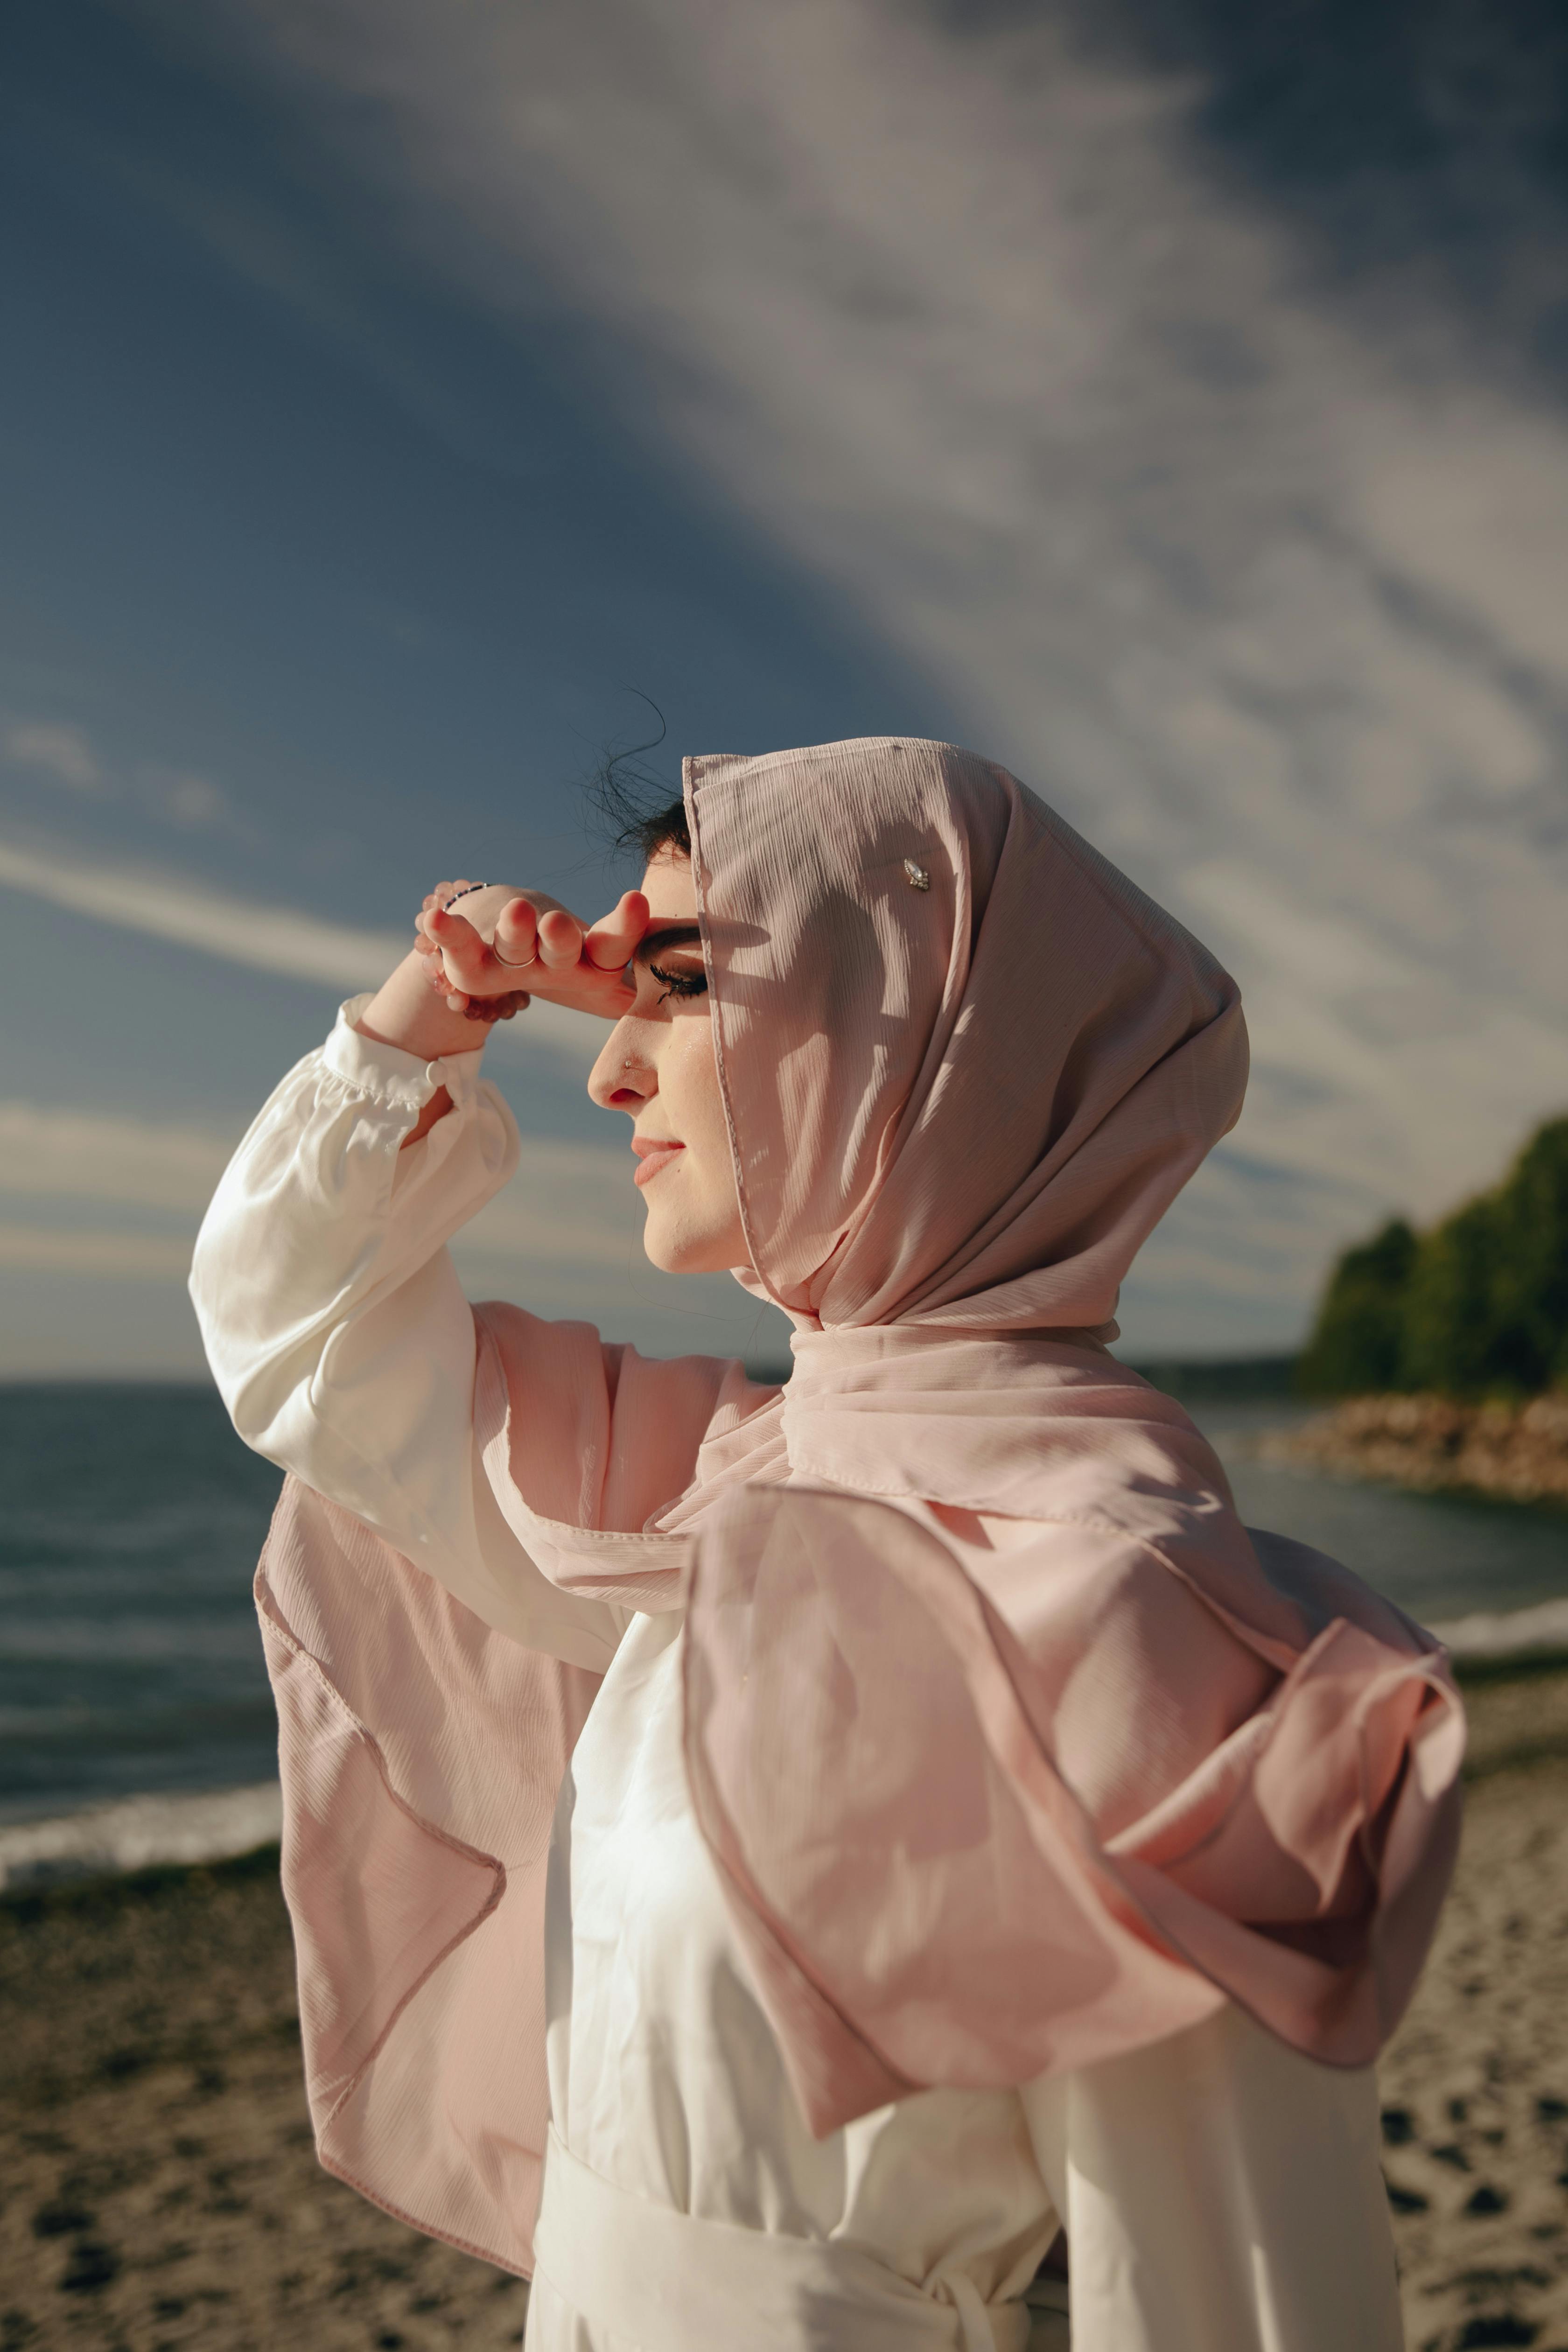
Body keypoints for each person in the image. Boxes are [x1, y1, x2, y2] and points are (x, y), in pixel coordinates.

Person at [190, 738, 1463, 2352]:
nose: (610, 1071)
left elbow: (1235, 2308)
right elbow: (294, 1337)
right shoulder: (714, 1488)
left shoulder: (1126, 1613)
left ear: (930, 1045)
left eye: (682, 986)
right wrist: (420, 1025)